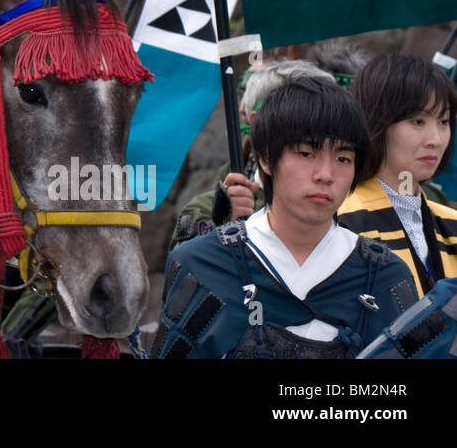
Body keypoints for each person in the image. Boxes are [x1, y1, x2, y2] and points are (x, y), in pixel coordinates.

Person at [152, 76, 417, 358]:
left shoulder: (386, 277)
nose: (325, 175)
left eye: (343, 159)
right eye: (306, 153)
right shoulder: (202, 266)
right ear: (265, 158)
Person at [168, 59, 338, 249]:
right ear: (257, 122)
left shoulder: (346, 195)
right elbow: (183, 266)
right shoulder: (207, 210)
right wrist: (223, 227)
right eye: (302, 114)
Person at [337, 53, 457, 296]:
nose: (435, 140)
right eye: (418, 121)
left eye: (443, 121)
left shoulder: (452, 223)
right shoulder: (339, 223)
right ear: (374, 121)